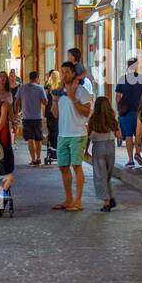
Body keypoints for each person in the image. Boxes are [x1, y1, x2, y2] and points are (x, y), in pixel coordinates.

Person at [52, 61, 92, 210]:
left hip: (77, 134)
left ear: (74, 73)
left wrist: (73, 97)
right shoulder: (59, 92)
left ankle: (78, 200)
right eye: (62, 72)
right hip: (62, 134)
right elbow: (55, 114)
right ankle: (68, 199)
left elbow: (87, 112)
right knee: (63, 167)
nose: (64, 75)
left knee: (76, 166)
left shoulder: (82, 91)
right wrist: (55, 100)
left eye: (67, 72)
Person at [87, 96, 121, 212]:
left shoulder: (93, 119)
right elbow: (119, 135)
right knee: (107, 175)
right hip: (111, 147)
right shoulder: (112, 118)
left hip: (98, 147)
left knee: (100, 175)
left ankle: (107, 201)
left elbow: (88, 136)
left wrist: (85, 149)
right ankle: (110, 198)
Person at [116, 59, 142, 168]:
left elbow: (118, 96)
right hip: (139, 112)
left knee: (129, 135)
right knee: (139, 134)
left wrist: (119, 108)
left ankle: (130, 159)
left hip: (126, 112)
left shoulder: (122, 79)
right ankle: (138, 153)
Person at [16, 71, 48, 166]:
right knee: (38, 139)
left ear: (29, 78)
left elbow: (16, 101)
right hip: (37, 117)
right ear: (37, 78)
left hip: (26, 117)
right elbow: (45, 102)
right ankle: (38, 158)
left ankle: (33, 159)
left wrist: (16, 113)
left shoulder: (22, 88)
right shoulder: (40, 88)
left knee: (30, 138)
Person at [43, 70, 62, 164]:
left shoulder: (47, 86)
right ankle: (57, 151)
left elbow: (44, 99)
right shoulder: (60, 86)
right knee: (58, 130)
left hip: (49, 111)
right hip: (59, 110)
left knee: (51, 131)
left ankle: (52, 150)